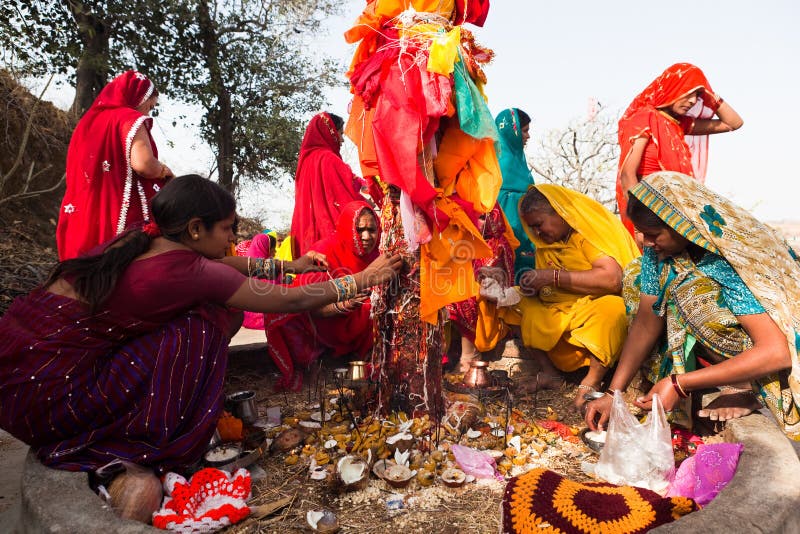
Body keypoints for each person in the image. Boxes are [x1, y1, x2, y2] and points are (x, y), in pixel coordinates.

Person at [0, 175, 401, 474]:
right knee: (206, 322)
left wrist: (287, 265)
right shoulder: (187, 270)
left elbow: (224, 263)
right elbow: (291, 299)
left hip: (16, 375)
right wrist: (366, 278)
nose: (232, 239)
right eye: (226, 229)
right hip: (49, 398)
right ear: (195, 228)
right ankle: (164, 438)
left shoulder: (142, 240)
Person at [585, 172, 799, 440]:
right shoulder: (660, 253)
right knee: (636, 276)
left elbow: (776, 352)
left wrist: (679, 384)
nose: (646, 243)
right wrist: (612, 394)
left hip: (781, 358)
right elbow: (645, 322)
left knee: (689, 293)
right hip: (752, 347)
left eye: (653, 234)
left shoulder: (729, 257)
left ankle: (749, 387)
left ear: (681, 222)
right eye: (641, 233)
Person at [505, 184, 640, 410]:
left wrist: (552, 277)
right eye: (532, 228)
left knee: (613, 309)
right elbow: (550, 288)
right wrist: (535, 287)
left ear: (559, 213)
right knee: (511, 300)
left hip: (592, 307)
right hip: (559, 310)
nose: (537, 233)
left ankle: (592, 380)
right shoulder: (548, 245)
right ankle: (550, 374)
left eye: (539, 225)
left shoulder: (586, 236)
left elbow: (612, 279)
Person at [57, 70, 175, 260]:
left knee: (85, 266)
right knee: (117, 264)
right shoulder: (130, 119)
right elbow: (143, 164)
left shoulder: (88, 122)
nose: (148, 111)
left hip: (85, 208)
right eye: (149, 106)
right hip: (119, 211)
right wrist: (163, 171)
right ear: (139, 97)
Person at [265, 201, 381, 390]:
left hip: (360, 325)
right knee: (286, 310)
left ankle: (361, 360)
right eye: (359, 230)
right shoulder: (325, 251)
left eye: (372, 229)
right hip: (323, 323)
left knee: (379, 304)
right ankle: (312, 363)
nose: (367, 237)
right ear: (347, 228)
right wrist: (341, 305)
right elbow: (306, 302)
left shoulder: (378, 256)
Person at [617, 62, 743, 235]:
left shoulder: (677, 125)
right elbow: (627, 175)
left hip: (677, 212)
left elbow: (733, 123)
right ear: (672, 88)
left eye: (697, 96)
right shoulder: (643, 118)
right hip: (649, 213)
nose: (693, 101)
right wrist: (641, 228)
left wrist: (709, 93)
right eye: (688, 92)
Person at [447, 202, 519, 372]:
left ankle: (469, 357)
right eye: (471, 215)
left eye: (480, 217)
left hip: (491, 306)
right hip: (463, 297)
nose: (474, 221)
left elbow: (502, 285)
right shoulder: (460, 239)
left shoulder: (498, 244)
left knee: (468, 293)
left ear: (492, 219)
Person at [290, 112, 365, 258]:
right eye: (340, 134)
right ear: (330, 132)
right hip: (330, 239)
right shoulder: (329, 159)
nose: (342, 140)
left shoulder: (305, 163)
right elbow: (348, 198)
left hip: (308, 238)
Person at [495, 108, 536, 279]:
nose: (528, 136)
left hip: (526, 233)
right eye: (525, 131)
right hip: (512, 236)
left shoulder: (518, 161)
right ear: (513, 132)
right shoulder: (499, 164)